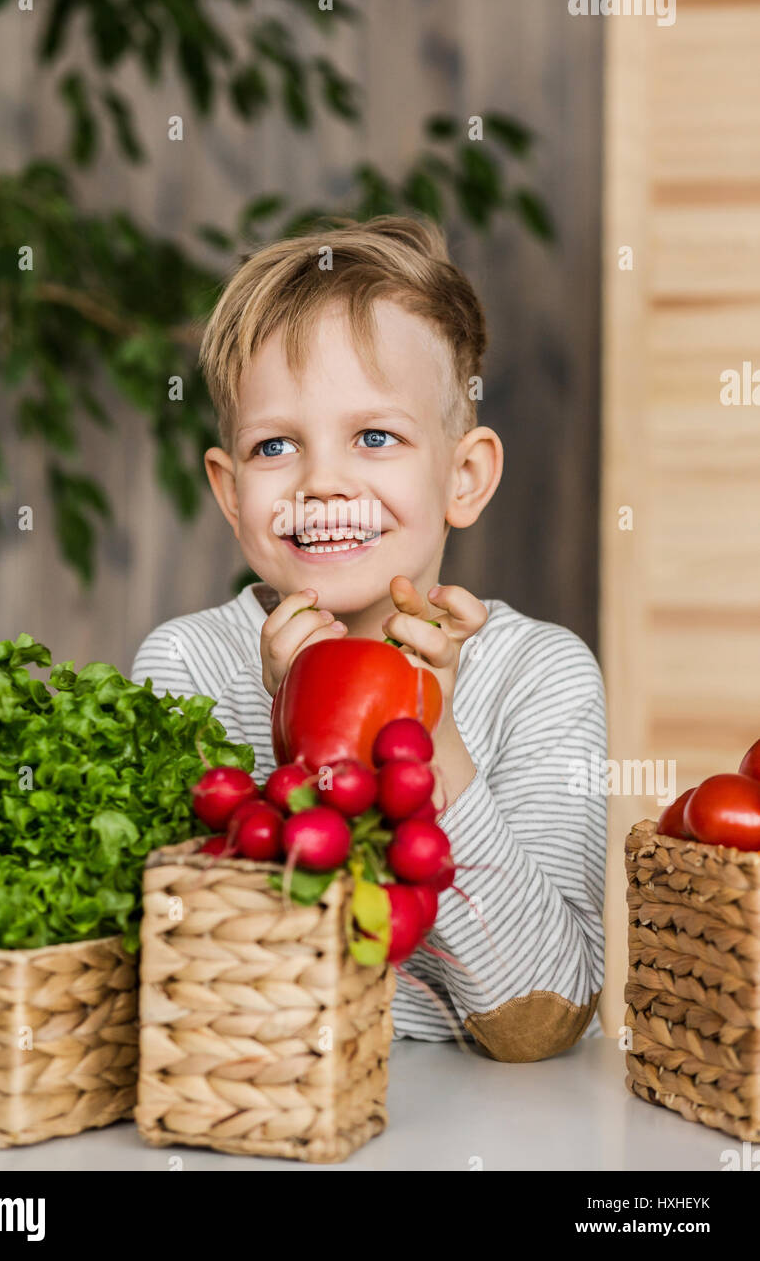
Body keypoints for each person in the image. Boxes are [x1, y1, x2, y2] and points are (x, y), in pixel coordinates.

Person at [132, 214, 607, 1061]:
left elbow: (542, 1015)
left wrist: (433, 736)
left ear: (464, 476)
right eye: (275, 445)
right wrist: (298, 731)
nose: (323, 481)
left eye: (375, 437)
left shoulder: (543, 673)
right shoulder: (186, 664)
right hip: (256, 1110)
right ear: (232, 491)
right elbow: (196, 977)